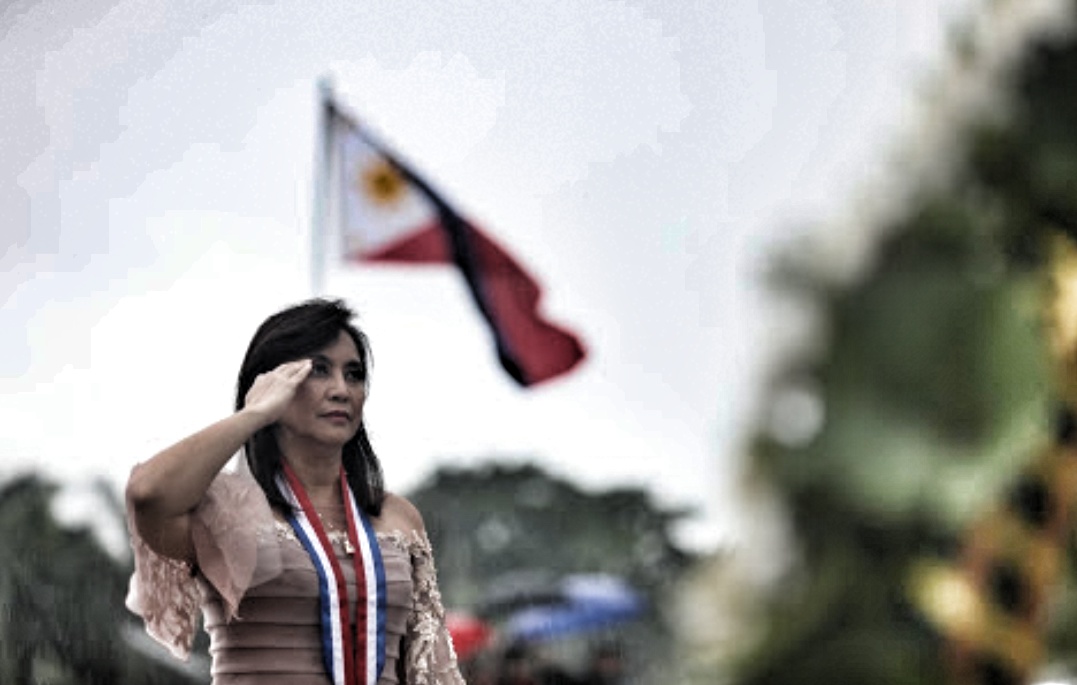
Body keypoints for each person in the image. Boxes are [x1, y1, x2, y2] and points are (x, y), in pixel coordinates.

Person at [125, 298, 466, 685]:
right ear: (272, 383)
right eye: (318, 370)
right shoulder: (222, 507)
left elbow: (432, 669)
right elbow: (147, 494)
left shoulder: (397, 516)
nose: (341, 389)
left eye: (353, 374)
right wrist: (253, 415)